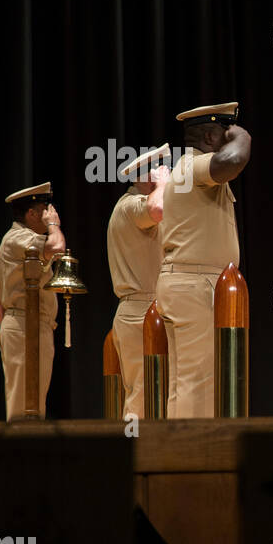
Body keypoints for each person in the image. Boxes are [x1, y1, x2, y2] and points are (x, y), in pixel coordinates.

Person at [153, 101, 251, 418]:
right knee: (199, 385)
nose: (231, 137)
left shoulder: (184, 170)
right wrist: (244, 136)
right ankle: (188, 462)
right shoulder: (194, 166)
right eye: (227, 132)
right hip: (195, 285)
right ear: (210, 138)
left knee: (186, 384)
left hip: (187, 282)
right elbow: (233, 160)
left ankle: (177, 459)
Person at [108, 144, 170, 420]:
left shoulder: (136, 208)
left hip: (149, 310)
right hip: (138, 312)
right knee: (142, 396)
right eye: (161, 170)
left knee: (157, 395)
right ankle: (132, 458)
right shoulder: (131, 206)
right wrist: (163, 186)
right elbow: (157, 211)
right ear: (150, 177)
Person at [0, 183, 66, 419]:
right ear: (32, 214)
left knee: (35, 408)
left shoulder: (25, 239)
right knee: (21, 408)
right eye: (45, 209)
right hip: (24, 327)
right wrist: (54, 225)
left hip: (34, 325)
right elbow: (57, 248)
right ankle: (18, 455)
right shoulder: (17, 238)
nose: (50, 214)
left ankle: (31, 454)